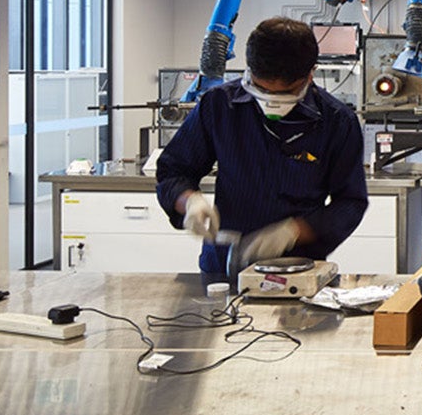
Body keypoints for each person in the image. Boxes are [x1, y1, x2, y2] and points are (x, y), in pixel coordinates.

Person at [157, 17, 368, 283]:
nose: (271, 100)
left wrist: (295, 231)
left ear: (310, 73)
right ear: (250, 70)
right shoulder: (219, 106)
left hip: (297, 269)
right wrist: (188, 202)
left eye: (286, 92)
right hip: (223, 264)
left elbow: (350, 202)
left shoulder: (337, 121)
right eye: (261, 88)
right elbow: (174, 170)